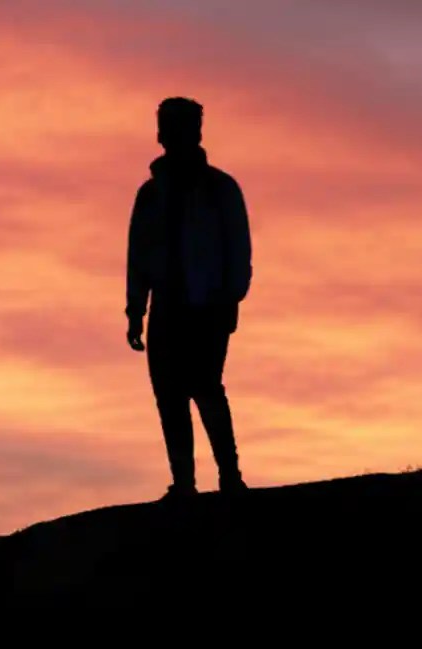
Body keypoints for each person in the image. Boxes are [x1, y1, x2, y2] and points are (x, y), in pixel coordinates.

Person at [125, 97, 252, 500]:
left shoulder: (220, 189)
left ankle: (229, 476)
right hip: (166, 307)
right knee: (169, 395)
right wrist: (135, 310)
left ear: (196, 131)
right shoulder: (150, 196)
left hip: (207, 304)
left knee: (206, 387)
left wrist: (230, 299)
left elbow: (238, 248)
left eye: (181, 124)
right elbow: (138, 255)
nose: (172, 132)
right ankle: (184, 482)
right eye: (167, 124)